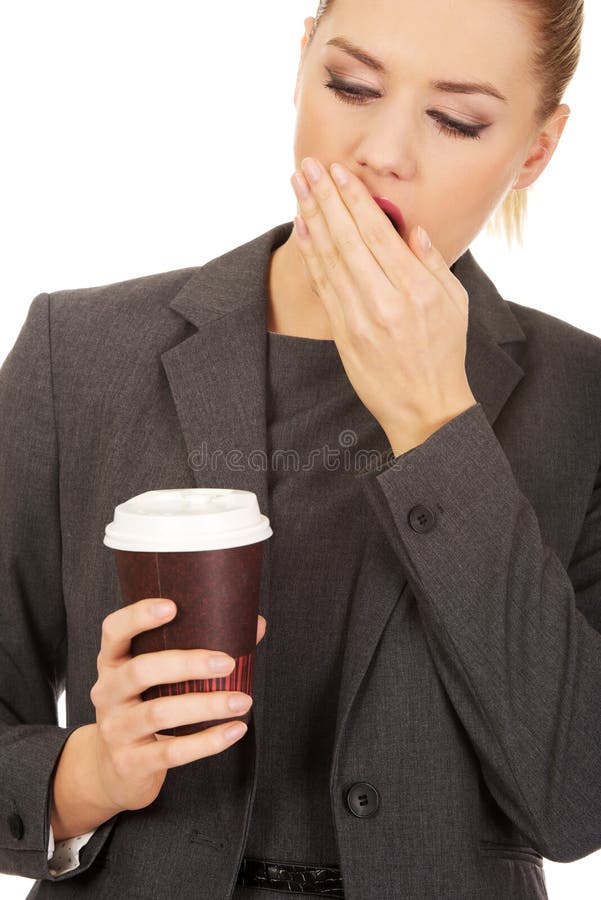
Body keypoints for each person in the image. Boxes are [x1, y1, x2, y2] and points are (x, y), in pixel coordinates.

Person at [0, 0, 598, 898]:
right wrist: (86, 773)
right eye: (350, 85)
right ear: (300, 66)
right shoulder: (75, 351)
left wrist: (436, 420)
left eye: (455, 118)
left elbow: (574, 799)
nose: (382, 152)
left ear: (536, 150)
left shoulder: (581, 398)